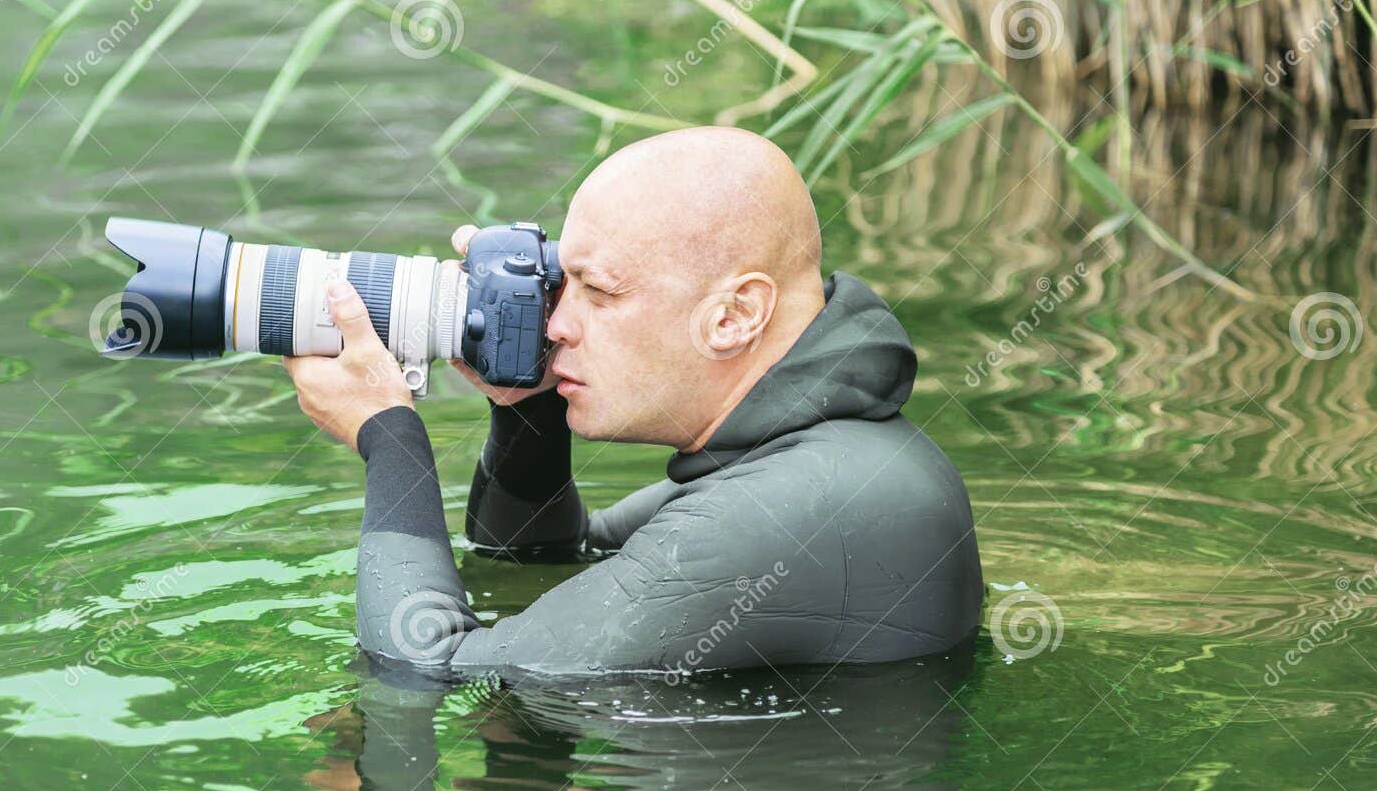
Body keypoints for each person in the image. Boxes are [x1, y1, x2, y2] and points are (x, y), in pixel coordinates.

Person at [283, 126, 982, 677]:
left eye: (601, 292)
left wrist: (388, 435)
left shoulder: (806, 503)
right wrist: (531, 406)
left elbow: (428, 670)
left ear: (734, 316)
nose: (557, 324)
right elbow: (532, 562)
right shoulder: (806, 456)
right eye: (564, 284)